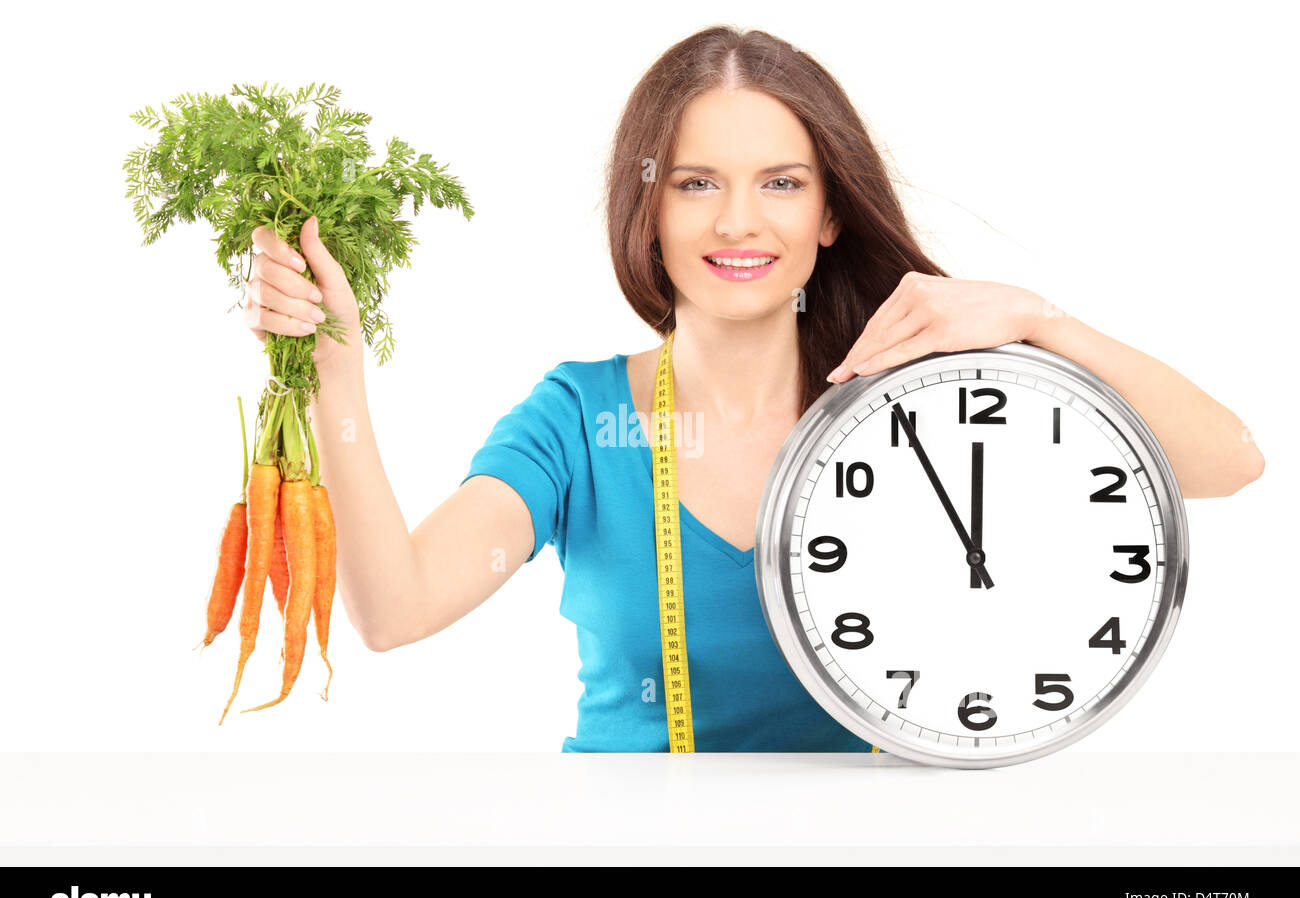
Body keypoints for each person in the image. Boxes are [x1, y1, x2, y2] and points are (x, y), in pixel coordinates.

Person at [242, 26, 1265, 752]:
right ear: (647, 212)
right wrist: (339, 373)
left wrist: (1041, 321)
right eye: (696, 183)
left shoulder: (927, 410)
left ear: (828, 213)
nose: (739, 221)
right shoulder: (580, 421)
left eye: (780, 182)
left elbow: (1228, 462)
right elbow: (398, 608)